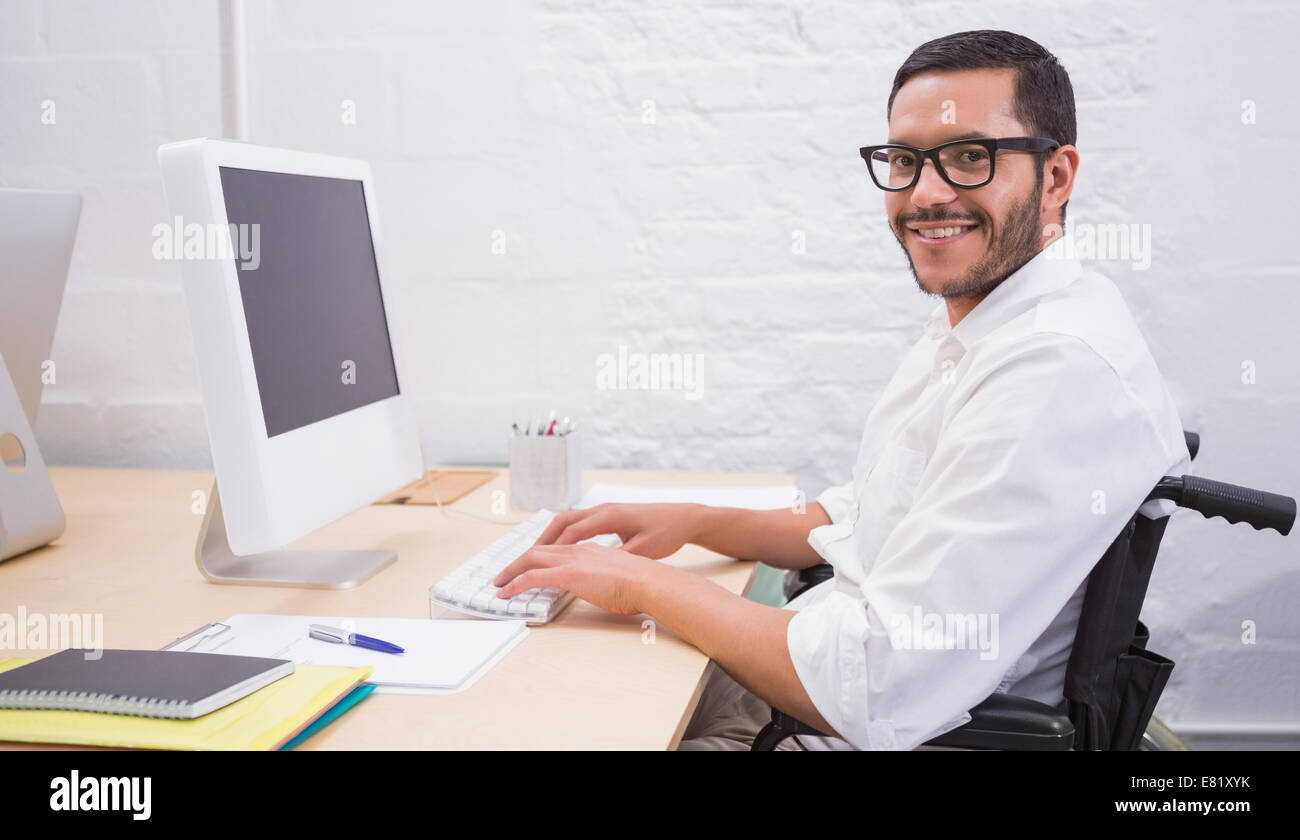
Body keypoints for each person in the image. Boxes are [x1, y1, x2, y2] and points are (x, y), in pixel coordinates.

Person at [493, 29, 1190, 750]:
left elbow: (876, 684)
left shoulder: (1052, 368)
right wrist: (695, 519)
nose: (927, 193)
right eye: (904, 160)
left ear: (1056, 177)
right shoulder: (989, 324)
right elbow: (868, 514)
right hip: (821, 673)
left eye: (970, 157)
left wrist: (638, 584)